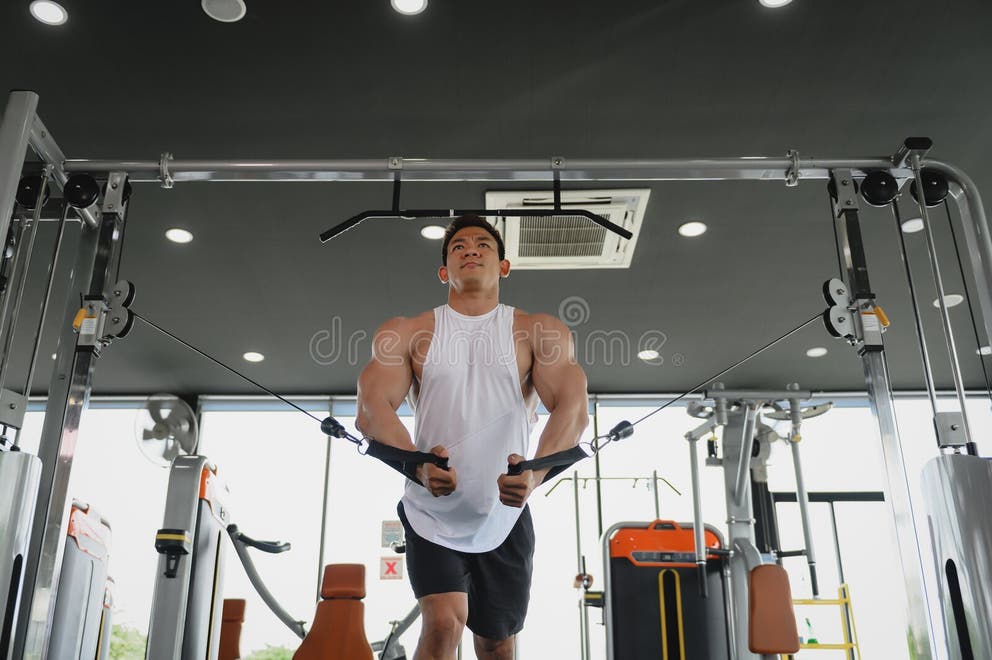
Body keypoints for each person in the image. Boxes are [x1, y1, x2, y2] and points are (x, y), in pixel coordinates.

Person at [356, 215, 590, 660]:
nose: (470, 249)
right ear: (445, 272)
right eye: (458, 246)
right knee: (443, 624)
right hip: (431, 511)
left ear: (503, 266)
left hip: (504, 513)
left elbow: (572, 408)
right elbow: (371, 409)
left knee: (497, 644)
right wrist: (418, 466)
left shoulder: (538, 330)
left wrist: (536, 475)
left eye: (483, 244)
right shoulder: (405, 331)